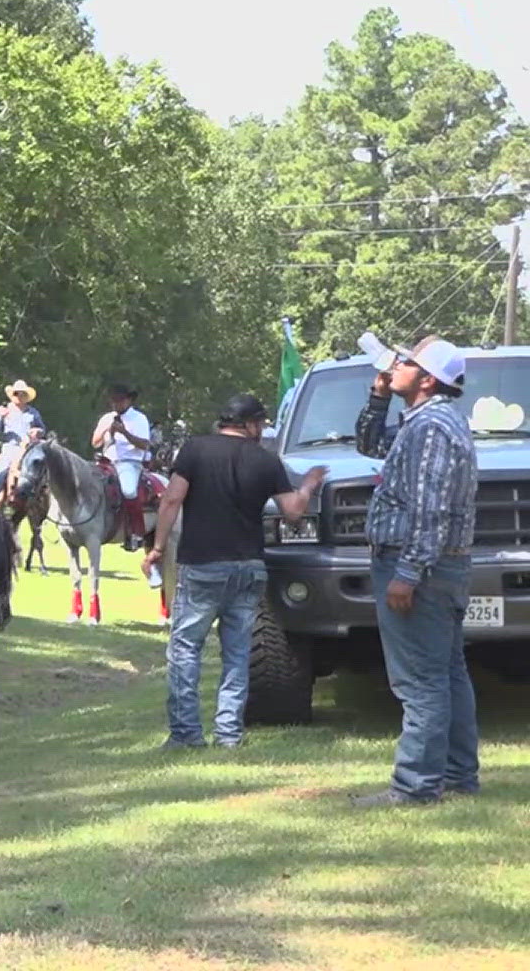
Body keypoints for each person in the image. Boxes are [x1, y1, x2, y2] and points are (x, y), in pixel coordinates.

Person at [143, 395, 324, 749]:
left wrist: (158, 548)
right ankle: (228, 734)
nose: (263, 430)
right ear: (250, 424)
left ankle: (186, 734)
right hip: (249, 567)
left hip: (202, 564)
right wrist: (308, 485)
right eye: (262, 424)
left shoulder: (195, 450)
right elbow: (292, 512)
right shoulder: (266, 460)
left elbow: (171, 499)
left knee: (185, 648)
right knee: (238, 654)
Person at [349, 336, 480, 807]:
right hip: (438, 563)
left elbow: (430, 508)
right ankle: (457, 775)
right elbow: (369, 444)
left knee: (420, 680)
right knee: (446, 672)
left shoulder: (430, 428)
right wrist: (378, 396)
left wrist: (408, 572)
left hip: (420, 564)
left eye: (406, 362)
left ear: (427, 380)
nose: (395, 365)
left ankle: (415, 786)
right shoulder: (427, 421)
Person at [91, 384, 154, 550]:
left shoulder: (139, 418)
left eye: (119, 400)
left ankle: (137, 532)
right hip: (106, 461)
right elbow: (95, 443)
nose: (116, 404)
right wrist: (107, 429)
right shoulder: (107, 418)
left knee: (129, 491)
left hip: (129, 461)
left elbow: (144, 445)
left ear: (128, 400)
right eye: (113, 401)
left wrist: (124, 432)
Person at [0, 380, 46, 507]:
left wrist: (37, 431)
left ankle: (42, 502)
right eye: (16, 393)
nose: (19, 396)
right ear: (12, 395)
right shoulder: (4, 410)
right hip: (10, 447)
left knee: (41, 468)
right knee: (0, 468)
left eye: (22, 394)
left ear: (26, 396)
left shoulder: (33, 413)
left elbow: (42, 429)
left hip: (29, 448)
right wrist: (0, 418)